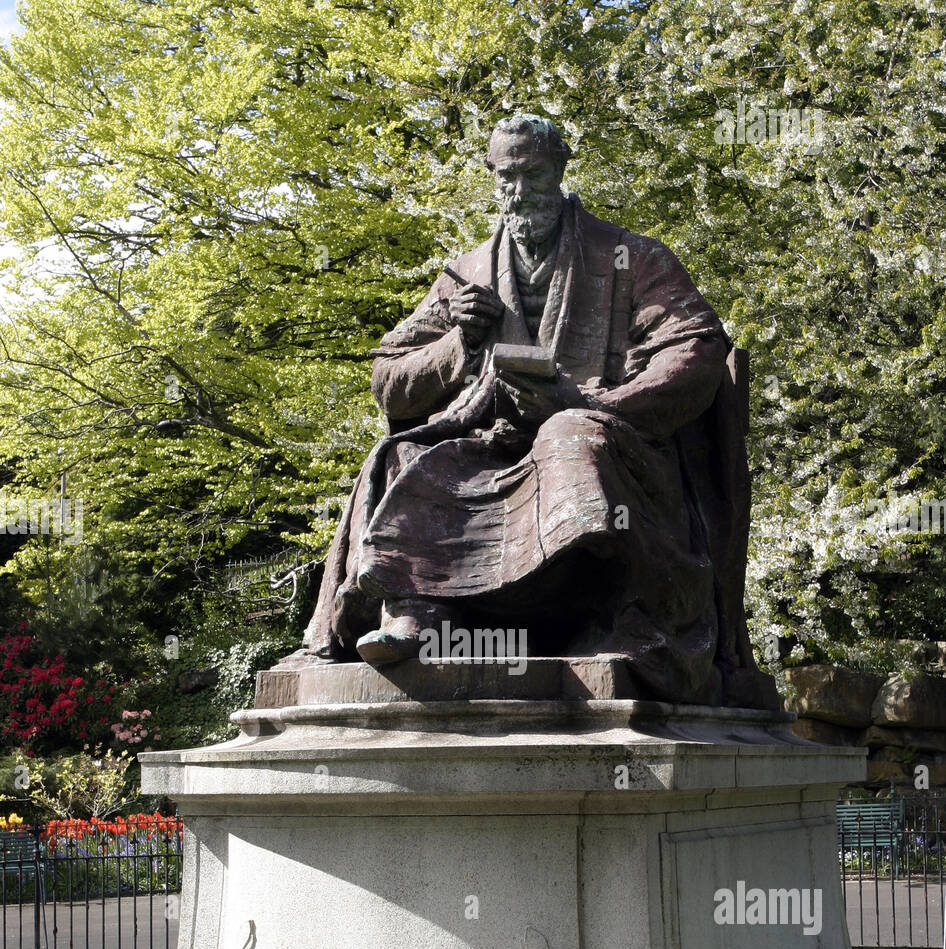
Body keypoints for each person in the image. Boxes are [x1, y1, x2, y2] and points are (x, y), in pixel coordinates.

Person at [302, 113, 775, 708]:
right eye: (506, 178)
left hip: (611, 440)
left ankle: (607, 617)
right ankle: (422, 612)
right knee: (404, 454)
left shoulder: (631, 257)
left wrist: (590, 402)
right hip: (489, 441)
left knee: (570, 439)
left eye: (533, 173)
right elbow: (389, 379)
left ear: (560, 171)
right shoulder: (465, 274)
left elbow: (697, 351)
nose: (519, 191)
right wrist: (459, 345)